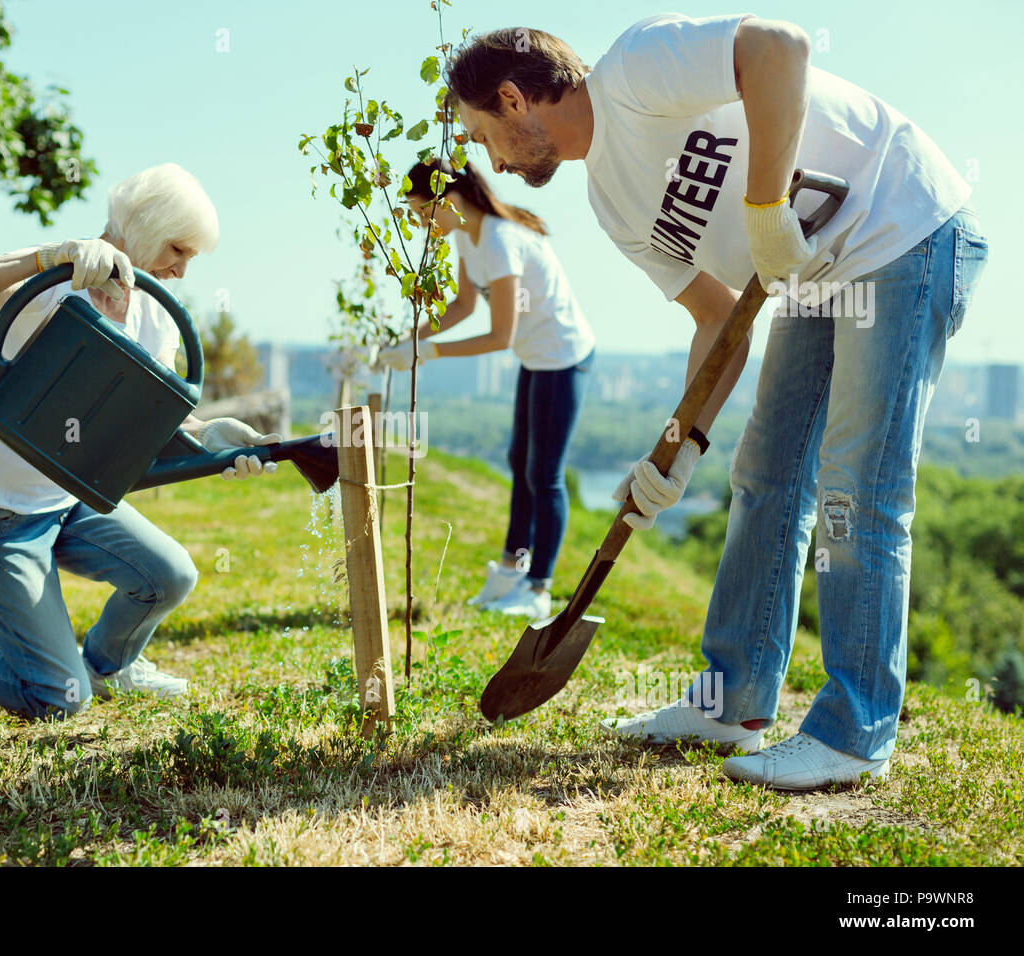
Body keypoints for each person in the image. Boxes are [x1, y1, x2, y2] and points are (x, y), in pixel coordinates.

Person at [446, 15, 988, 788]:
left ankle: (854, 734)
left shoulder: (635, 71)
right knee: (765, 474)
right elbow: (713, 318)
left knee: (856, 486)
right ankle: (730, 701)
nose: (488, 160)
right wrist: (679, 446)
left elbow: (780, 50)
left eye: (480, 135)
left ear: (511, 99)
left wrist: (765, 207)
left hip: (901, 229)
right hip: (812, 273)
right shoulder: (613, 204)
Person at [0, 164, 283, 720]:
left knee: (169, 575)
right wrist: (45, 258)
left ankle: (107, 667)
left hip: (71, 502)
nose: (182, 269)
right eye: (178, 249)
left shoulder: (159, 321)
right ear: (146, 227)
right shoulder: (54, 281)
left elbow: (152, 422)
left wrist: (211, 439)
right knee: (58, 699)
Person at [379, 159, 595, 620]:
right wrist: (414, 337)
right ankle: (510, 570)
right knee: (521, 462)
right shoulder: (466, 236)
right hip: (536, 358)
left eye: (421, 212)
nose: (420, 224)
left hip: (562, 357)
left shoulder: (499, 241)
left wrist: (428, 355)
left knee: (546, 475)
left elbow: (499, 335)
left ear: (449, 201)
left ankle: (538, 589)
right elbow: (461, 305)